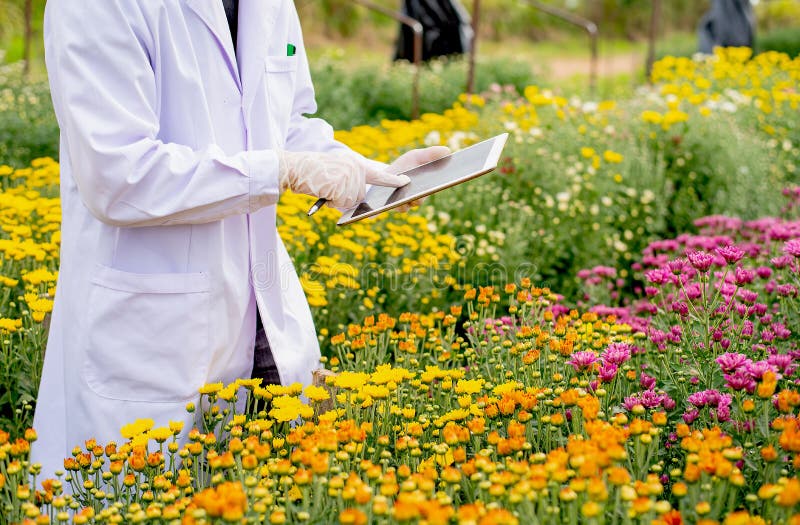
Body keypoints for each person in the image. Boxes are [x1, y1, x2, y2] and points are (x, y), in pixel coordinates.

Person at [32, 0, 449, 479]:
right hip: (149, 332)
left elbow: (287, 124)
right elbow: (119, 176)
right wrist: (283, 171)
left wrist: (370, 175)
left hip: (261, 316)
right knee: (137, 494)